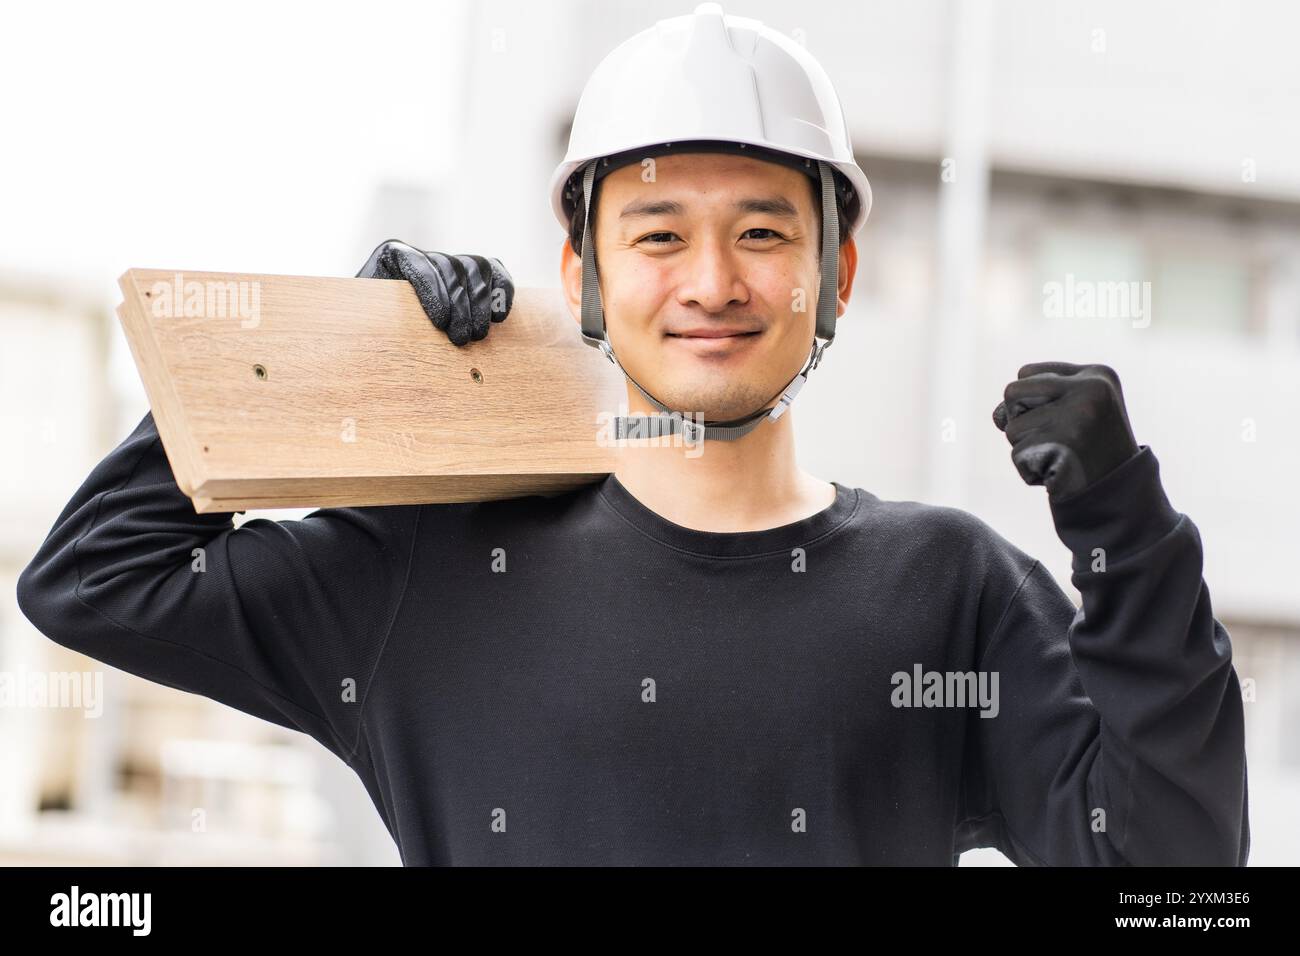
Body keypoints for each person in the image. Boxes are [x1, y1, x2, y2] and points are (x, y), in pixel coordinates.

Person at [16, 3, 1247, 866]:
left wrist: (1126, 534)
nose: (710, 279)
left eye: (763, 232)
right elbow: (93, 580)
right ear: (584, 271)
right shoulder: (429, 565)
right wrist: (335, 349)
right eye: (657, 233)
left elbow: (1169, 862)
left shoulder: (949, 588)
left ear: (838, 271)